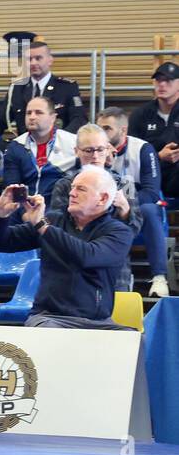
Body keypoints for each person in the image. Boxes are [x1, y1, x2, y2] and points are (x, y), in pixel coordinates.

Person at [0, 168, 134, 329]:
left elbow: (87, 256)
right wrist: (1, 216)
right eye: (72, 187)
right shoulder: (54, 220)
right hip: (50, 317)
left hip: (97, 322)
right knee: (49, 333)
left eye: (81, 189)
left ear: (102, 198)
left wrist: (42, 225)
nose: (72, 193)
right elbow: (0, 242)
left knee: (136, 340)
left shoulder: (120, 232)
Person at [46, 124, 141, 291]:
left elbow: (135, 229)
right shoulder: (65, 184)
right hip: (72, 264)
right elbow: (56, 226)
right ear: (77, 151)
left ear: (109, 149)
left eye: (100, 149)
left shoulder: (125, 183)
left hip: (114, 269)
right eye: (88, 150)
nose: (95, 156)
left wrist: (126, 211)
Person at [99, 106, 169, 296]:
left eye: (107, 128)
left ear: (123, 130)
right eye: (100, 128)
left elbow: (152, 192)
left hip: (137, 207)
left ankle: (159, 277)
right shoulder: (96, 151)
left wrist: (126, 204)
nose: (102, 133)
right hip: (105, 208)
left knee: (148, 209)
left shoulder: (143, 149)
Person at [0, 39, 86, 140]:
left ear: (50, 60)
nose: (33, 63)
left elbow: (79, 119)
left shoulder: (66, 87)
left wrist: (60, 140)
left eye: (38, 58)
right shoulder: (17, 88)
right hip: (25, 148)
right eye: (29, 59)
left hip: (58, 148)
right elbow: (0, 119)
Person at [2, 94, 78, 199]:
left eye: (38, 113)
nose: (32, 117)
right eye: (28, 113)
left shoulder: (73, 142)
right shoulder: (15, 146)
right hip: (25, 206)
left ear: (53, 118)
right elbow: (12, 188)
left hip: (61, 208)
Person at [128, 61, 179, 200]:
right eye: (158, 80)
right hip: (149, 175)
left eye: (168, 80)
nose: (162, 84)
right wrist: (158, 157)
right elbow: (129, 155)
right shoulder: (140, 114)